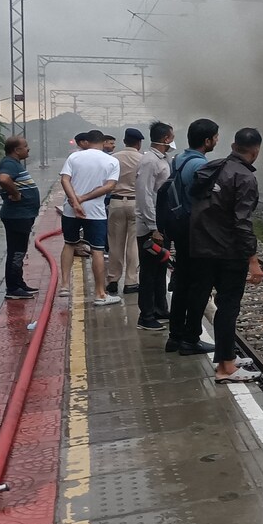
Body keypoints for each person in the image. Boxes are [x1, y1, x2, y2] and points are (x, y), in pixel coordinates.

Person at [187, 128, 263, 382]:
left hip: (202, 247)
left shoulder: (213, 168)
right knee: (228, 307)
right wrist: (253, 260)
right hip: (228, 253)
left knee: (217, 304)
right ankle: (226, 368)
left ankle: (227, 355)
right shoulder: (245, 177)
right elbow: (242, 222)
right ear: (256, 151)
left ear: (233, 145)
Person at [166, 118, 220, 356]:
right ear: (207, 141)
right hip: (195, 232)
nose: (217, 140)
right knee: (200, 286)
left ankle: (175, 336)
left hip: (180, 228)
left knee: (182, 283)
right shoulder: (200, 165)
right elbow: (207, 200)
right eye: (215, 137)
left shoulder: (179, 159)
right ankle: (191, 339)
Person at [59, 130, 120, 306]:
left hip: (70, 210)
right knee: (97, 250)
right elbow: (109, 186)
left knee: (69, 244)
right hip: (95, 212)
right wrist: (83, 199)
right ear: (103, 142)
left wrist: (74, 201)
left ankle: (64, 285)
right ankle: (100, 294)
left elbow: (65, 180)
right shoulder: (111, 161)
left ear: (88, 141)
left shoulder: (74, 157)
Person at [135, 121, 175, 330]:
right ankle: (146, 316)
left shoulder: (162, 159)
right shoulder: (150, 161)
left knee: (160, 269)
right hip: (151, 227)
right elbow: (144, 195)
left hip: (161, 223)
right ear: (166, 138)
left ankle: (160, 308)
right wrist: (153, 227)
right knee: (149, 272)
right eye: (172, 136)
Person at [0, 136, 41, 300]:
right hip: (17, 216)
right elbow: (3, 179)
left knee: (19, 251)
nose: (28, 149)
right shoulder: (9, 163)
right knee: (16, 252)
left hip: (22, 215)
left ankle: (19, 283)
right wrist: (15, 194)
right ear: (16, 150)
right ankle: (13, 288)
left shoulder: (14, 164)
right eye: (25, 146)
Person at [105, 128, 144, 295]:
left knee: (115, 243)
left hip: (116, 202)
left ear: (124, 141)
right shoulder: (142, 159)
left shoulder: (113, 158)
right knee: (133, 244)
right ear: (139, 143)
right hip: (135, 203)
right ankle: (131, 281)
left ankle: (113, 279)